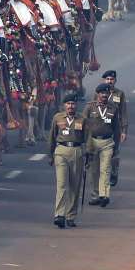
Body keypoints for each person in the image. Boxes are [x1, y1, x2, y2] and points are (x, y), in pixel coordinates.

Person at [49, 93, 86, 228]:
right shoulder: (58, 118)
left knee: (74, 186)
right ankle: (59, 215)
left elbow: (87, 138)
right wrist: (50, 154)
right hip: (61, 152)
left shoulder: (82, 119)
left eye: (73, 104)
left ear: (76, 105)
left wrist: (88, 155)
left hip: (77, 152)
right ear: (64, 105)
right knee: (62, 185)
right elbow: (52, 137)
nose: (71, 106)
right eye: (68, 104)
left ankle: (71, 216)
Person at [83, 84, 122, 207]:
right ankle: (95, 195)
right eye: (102, 93)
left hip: (107, 143)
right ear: (98, 94)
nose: (104, 95)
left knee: (105, 170)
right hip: (92, 143)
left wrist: (116, 147)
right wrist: (84, 144)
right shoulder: (90, 107)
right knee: (94, 171)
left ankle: (104, 195)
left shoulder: (113, 108)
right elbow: (82, 125)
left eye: (106, 93)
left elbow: (117, 129)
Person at [101, 70, 128, 186]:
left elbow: (123, 113)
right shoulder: (99, 93)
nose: (109, 81)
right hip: (101, 128)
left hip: (114, 129)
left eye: (111, 79)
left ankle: (114, 172)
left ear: (115, 80)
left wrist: (124, 131)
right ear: (104, 80)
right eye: (107, 79)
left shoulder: (119, 94)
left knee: (114, 153)